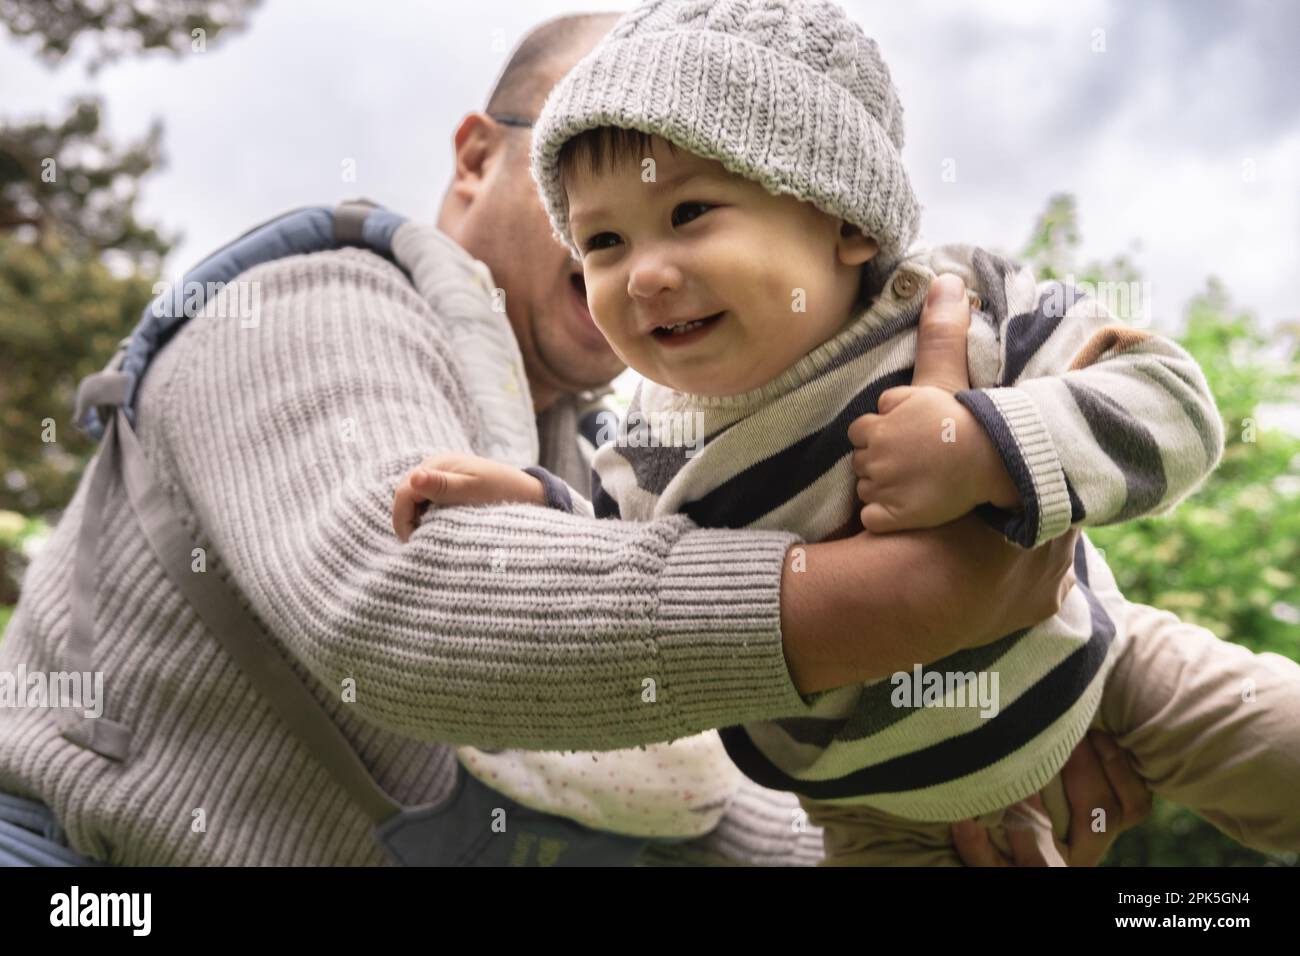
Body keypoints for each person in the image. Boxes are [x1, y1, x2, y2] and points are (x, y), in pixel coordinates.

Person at [0, 12, 1140, 868]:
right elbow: (406, 605)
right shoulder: (313, 298)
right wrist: (911, 599)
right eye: (594, 205)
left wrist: (967, 741)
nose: (654, 264)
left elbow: (690, 774)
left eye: (707, 199)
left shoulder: (617, 469)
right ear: (472, 159)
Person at [394, 1, 1300, 865]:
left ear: (846, 219)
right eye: (602, 244)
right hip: (875, 817)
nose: (644, 276)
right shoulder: (647, 448)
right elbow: (626, 578)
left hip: (1100, 672)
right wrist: (533, 504)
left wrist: (986, 443)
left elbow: (1170, 401)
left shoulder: (955, 305)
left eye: (688, 214)